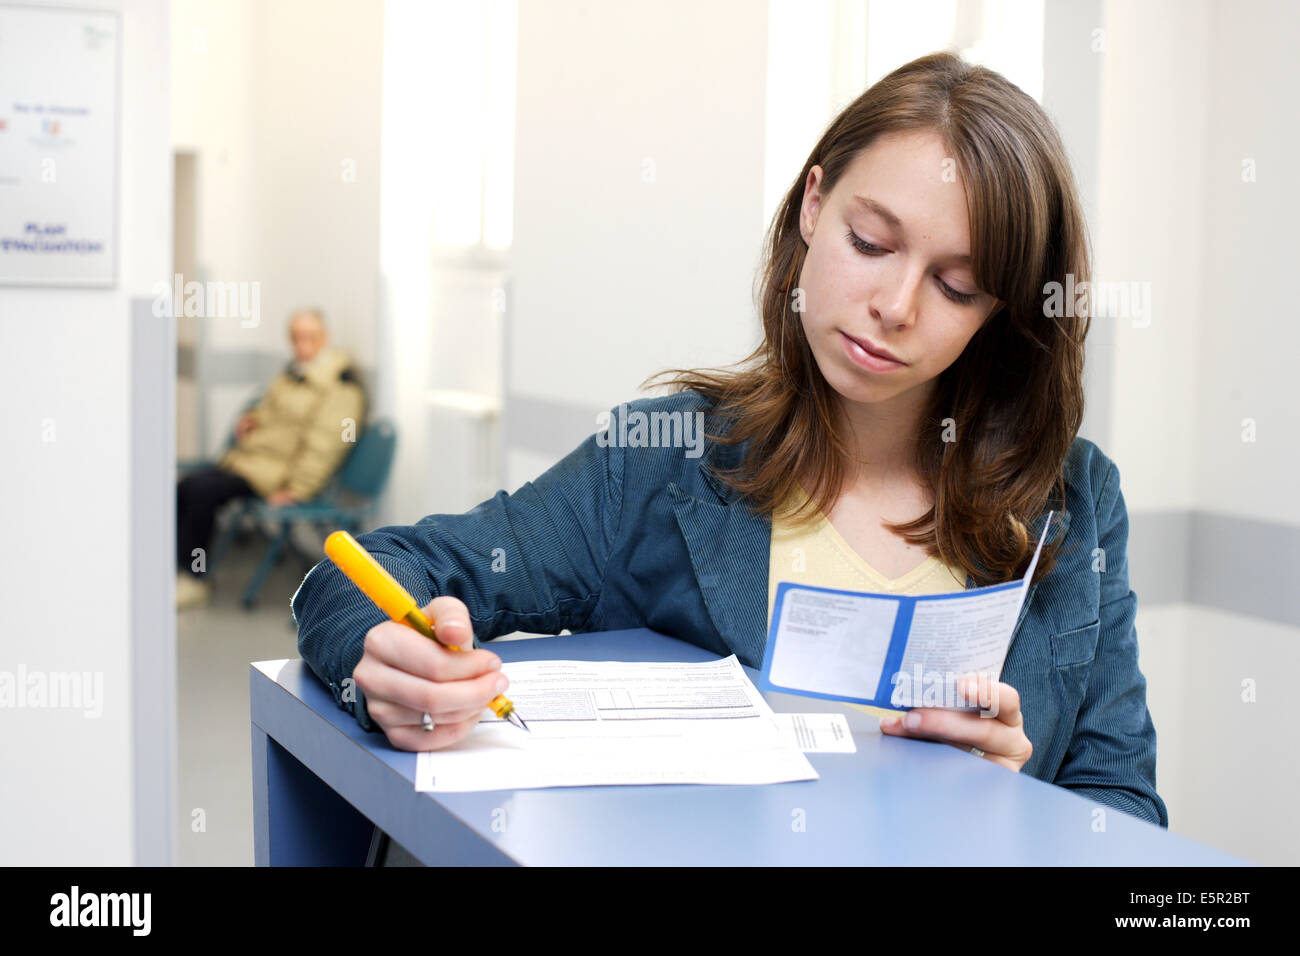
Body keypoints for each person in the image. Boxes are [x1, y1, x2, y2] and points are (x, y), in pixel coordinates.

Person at [291, 52, 1168, 827]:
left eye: (957, 285)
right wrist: (384, 668)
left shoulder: (1072, 504)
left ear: (1004, 312)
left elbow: (1123, 810)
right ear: (813, 207)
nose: (895, 308)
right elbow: (356, 575)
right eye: (870, 241)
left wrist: (1014, 816)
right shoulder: (662, 461)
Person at [176, 308, 365, 609]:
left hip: (273, 475)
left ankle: (194, 578)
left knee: (200, 492)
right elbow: (271, 410)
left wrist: (297, 490)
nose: (302, 344)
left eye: (310, 337)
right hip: (252, 461)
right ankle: (183, 569)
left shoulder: (339, 386)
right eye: (296, 338)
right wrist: (252, 419)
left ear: (325, 338)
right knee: (185, 487)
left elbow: (324, 447)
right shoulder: (294, 374)